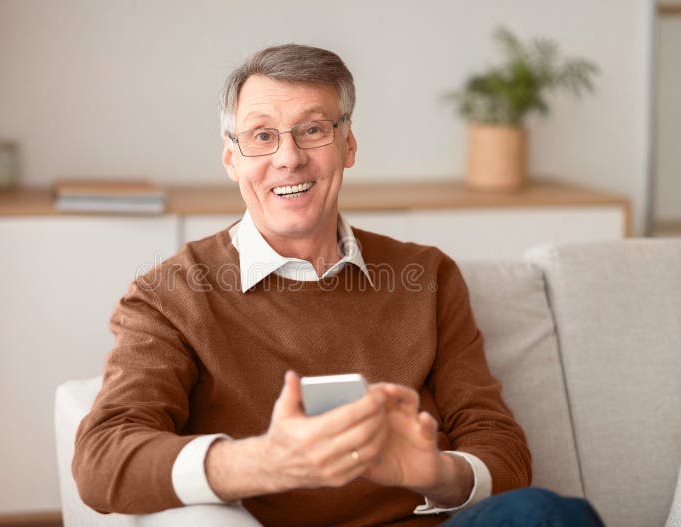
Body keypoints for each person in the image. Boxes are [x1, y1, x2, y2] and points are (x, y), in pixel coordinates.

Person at [72, 44, 604, 526]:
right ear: (232, 159)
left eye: (313, 129)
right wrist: (265, 462)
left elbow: (503, 452)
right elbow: (101, 462)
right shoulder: (169, 295)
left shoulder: (428, 276)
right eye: (262, 136)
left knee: (546, 513)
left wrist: (434, 473)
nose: (289, 157)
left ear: (347, 144)